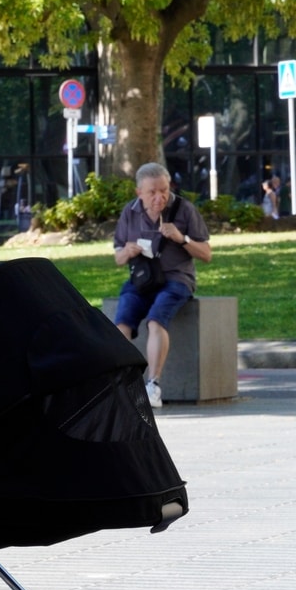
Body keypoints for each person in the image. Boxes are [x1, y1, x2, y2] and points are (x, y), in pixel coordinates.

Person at [112, 163, 212, 408]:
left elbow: (206, 254)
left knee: (156, 319)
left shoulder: (184, 209)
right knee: (121, 324)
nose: (160, 197)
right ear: (139, 193)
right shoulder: (130, 212)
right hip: (142, 280)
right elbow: (118, 257)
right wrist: (127, 250)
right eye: (152, 192)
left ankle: (153, 385)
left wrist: (182, 238)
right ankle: (120, 386)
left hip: (176, 279)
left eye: (164, 190)